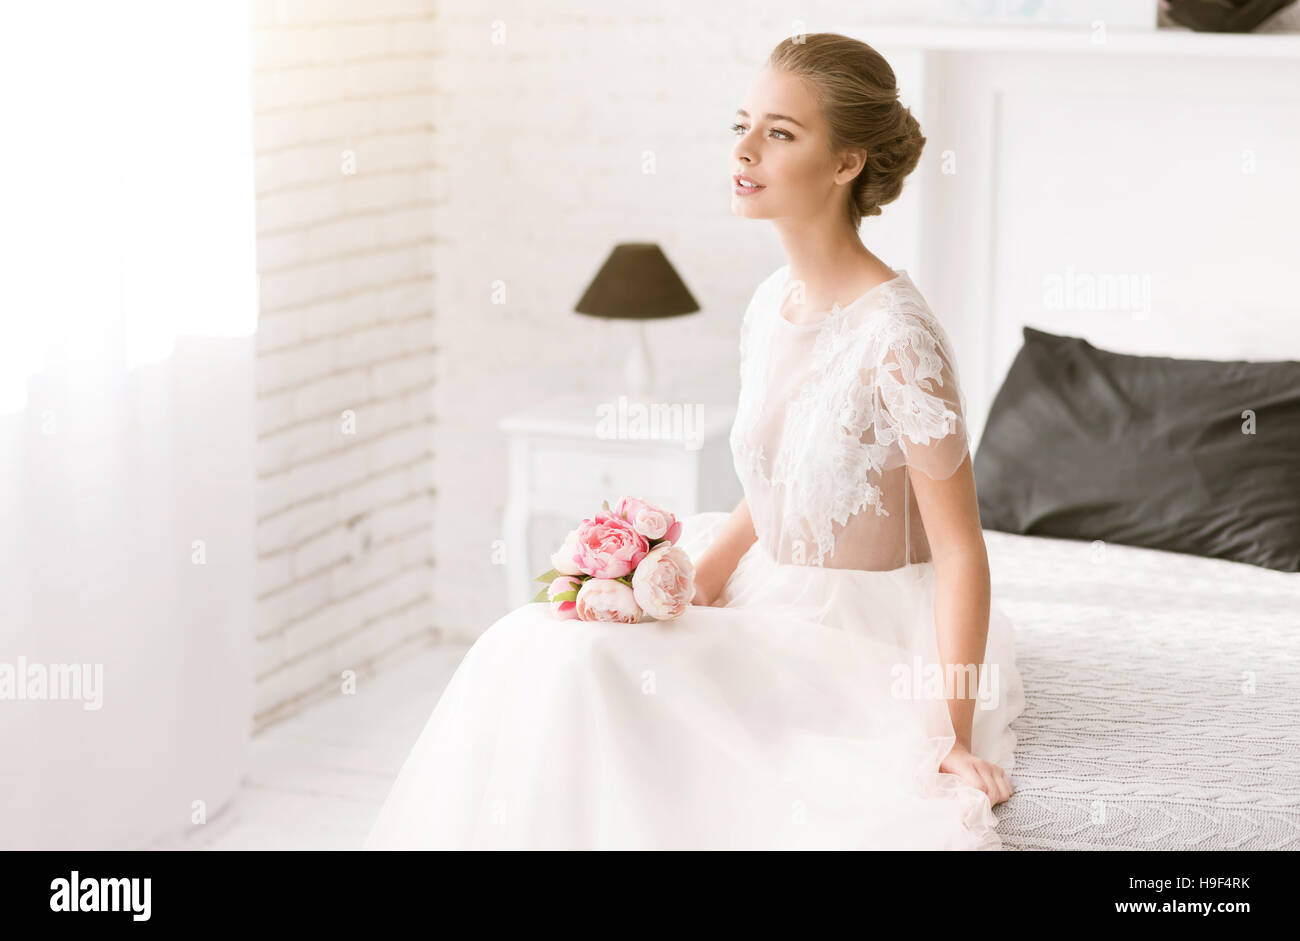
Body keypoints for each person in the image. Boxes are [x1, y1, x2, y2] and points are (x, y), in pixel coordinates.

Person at [364, 32, 1024, 850]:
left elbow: (962, 550)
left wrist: (950, 731)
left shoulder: (899, 336)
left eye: (780, 133)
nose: (743, 150)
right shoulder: (771, 303)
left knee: (591, 675)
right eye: (742, 123)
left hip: (856, 635)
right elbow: (785, 479)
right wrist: (703, 573)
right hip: (760, 591)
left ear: (848, 161)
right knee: (535, 646)